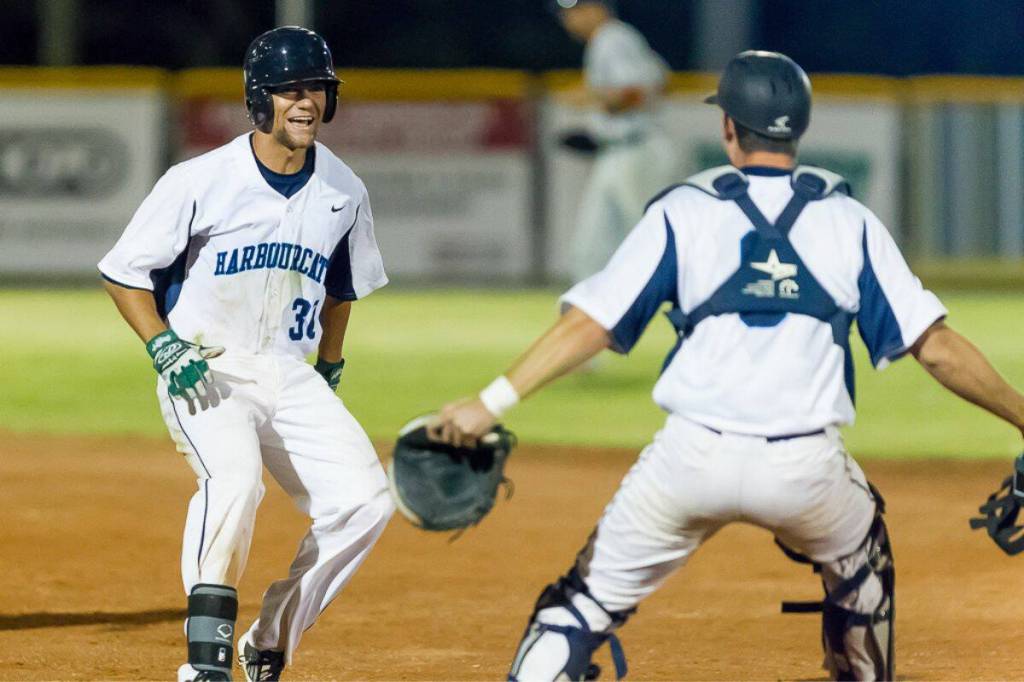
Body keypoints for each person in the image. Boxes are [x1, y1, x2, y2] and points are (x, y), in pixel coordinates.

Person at [435, 50, 1024, 681]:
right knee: (863, 562)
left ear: (727, 127)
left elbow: (591, 324)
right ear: (800, 127)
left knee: (579, 605)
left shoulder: (682, 212)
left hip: (688, 459)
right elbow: (937, 348)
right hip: (806, 468)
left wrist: (489, 403)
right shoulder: (849, 220)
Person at [98, 26, 393, 682]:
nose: (306, 101)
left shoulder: (343, 189)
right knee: (234, 482)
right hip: (205, 365)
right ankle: (204, 665)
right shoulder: (201, 179)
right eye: (290, 89)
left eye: (316, 88)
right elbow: (124, 272)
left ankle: (269, 640)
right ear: (260, 99)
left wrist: (331, 366)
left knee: (366, 501)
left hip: (290, 371)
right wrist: (163, 346)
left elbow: (342, 289)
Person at [552, 0, 677, 283]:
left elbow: (634, 93)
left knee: (648, 236)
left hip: (635, 151)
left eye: (574, 11)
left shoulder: (610, 38)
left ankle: (683, 292)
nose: (569, 20)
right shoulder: (622, 37)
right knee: (592, 247)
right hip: (621, 151)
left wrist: (592, 97)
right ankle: (593, 303)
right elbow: (662, 79)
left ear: (596, 7)